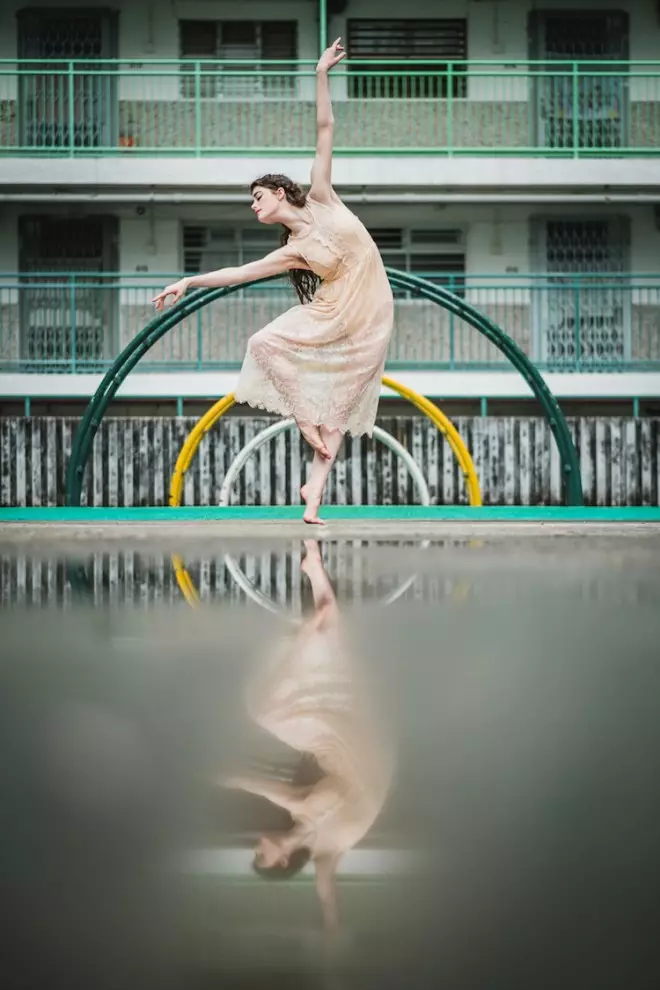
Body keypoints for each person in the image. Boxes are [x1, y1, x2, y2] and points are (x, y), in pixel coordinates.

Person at [152, 39, 395, 524]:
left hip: (370, 314)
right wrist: (189, 280)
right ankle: (304, 424)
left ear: (282, 193)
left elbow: (326, 128)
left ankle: (313, 491)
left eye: (259, 196)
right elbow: (239, 273)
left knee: (342, 410)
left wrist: (321, 71)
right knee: (263, 341)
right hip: (332, 311)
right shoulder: (293, 252)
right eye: (252, 200)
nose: (254, 205)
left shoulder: (322, 196)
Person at [221, 540, 394, 936]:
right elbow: (278, 791)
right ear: (281, 860)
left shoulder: (319, 848)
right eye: (261, 853)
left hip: (343, 745)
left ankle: (315, 579)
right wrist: (229, 780)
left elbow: (327, 900)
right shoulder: (323, 848)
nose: (259, 845)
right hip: (359, 744)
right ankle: (309, 628)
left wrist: (331, 939)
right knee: (266, 709)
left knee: (300, 689)